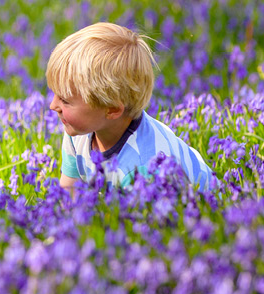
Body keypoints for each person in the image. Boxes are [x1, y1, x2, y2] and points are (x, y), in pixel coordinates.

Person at [45, 22, 213, 198]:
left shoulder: (143, 168)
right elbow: (69, 191)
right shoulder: (78, 132)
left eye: (65, 100)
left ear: (112, 109)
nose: (53, 105)